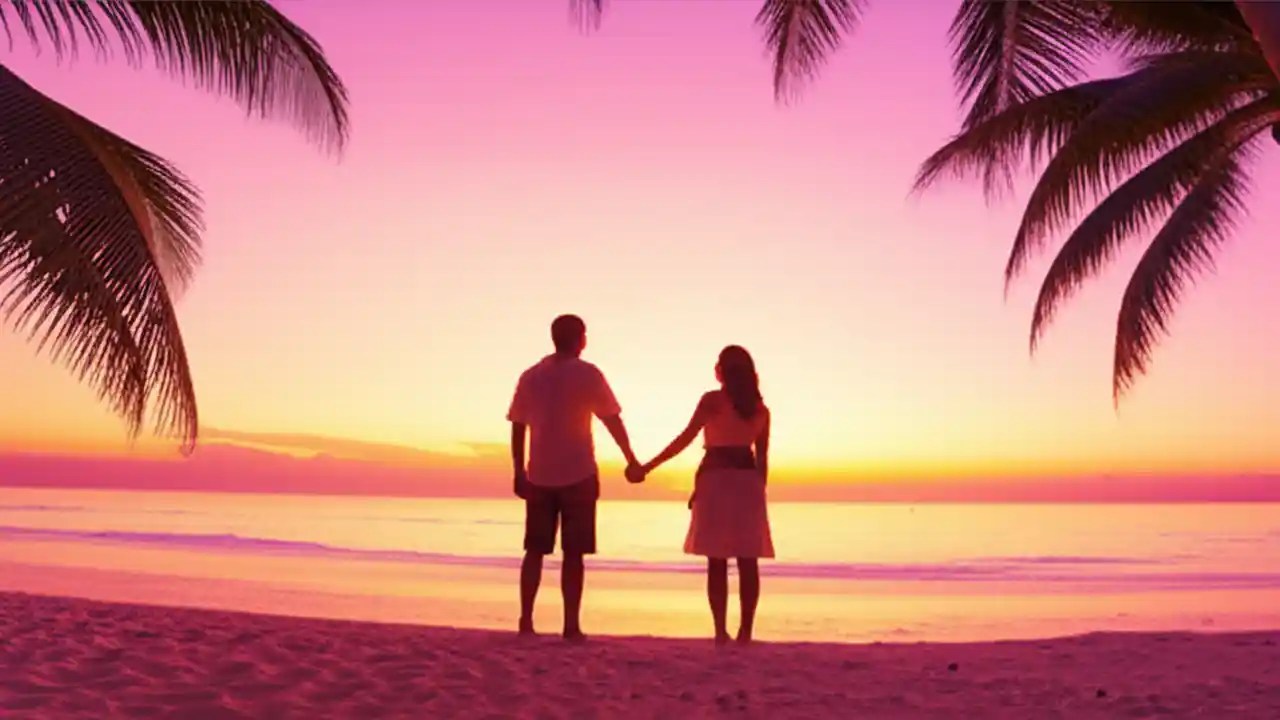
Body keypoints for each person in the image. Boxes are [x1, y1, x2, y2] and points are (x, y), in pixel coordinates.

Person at [508, 314, 641, 641]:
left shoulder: (531, 376)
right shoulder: (588, 374)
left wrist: (517, 469)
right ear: (580, 338)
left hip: (539, 472)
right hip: (578, 472)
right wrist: (631, 459)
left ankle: (526, 619)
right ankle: (570, 625)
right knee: (574, 554)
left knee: (535, 550)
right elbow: (611, 419)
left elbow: (517, 425)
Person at [629, 345, 774, 645]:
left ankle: (721, 630)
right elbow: (762, 460)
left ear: (721, 369)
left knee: (717, 560)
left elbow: (685, 438)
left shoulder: (713, 400)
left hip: (717, 481)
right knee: (748, 561)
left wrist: (648, 466)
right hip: (747, 483)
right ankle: (745, 632)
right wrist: (760, 494)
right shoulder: (761, 410)